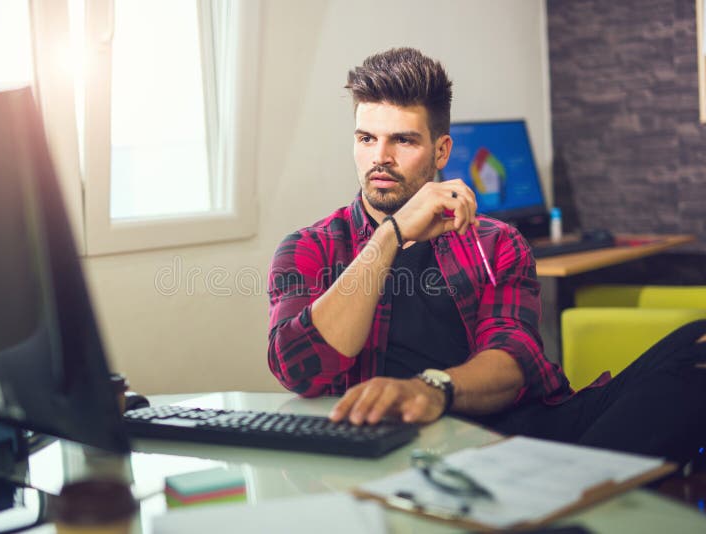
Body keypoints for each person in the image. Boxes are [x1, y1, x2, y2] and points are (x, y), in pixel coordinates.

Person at [267, 47, 706, 462]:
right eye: (366, 138)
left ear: (441, 151)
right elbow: (298, 369)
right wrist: (389, 236)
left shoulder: (496, 242)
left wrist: (431, 389)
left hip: (522, 430)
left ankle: (575, 495)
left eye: (402, 141)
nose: (379, 158)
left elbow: (514, 361)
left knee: (694, 354)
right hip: (404, 449)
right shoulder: (311, 247)